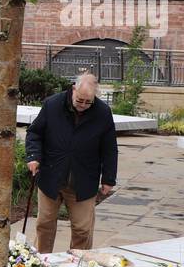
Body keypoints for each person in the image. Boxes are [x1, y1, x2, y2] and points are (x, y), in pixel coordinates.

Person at [24, 72, 118, 252]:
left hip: (83, 179)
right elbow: (34, 133)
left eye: (88, 102)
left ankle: (78, 265)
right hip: (51, 174)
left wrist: (108, 179)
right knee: (45, 224)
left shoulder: (102, 113)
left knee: (83, 229)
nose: (83, 105)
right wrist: (33, 157)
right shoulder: (52, 104)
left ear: (95, 97)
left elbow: (109, 148)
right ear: (73, 89)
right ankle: (42, 262)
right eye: (79, 100)